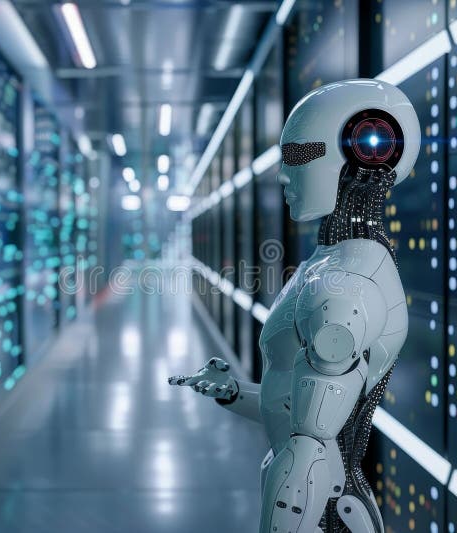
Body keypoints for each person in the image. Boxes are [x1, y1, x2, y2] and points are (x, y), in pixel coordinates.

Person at [170, 79, 421, 533]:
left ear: (361, 152)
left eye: (302, 155)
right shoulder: (333, 265)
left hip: (323, 515)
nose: (286, 174)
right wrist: (231, 393)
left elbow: (309, 459)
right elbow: (295, 414)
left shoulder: (345, 289)